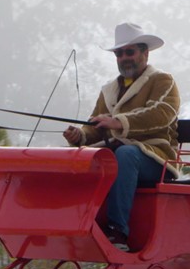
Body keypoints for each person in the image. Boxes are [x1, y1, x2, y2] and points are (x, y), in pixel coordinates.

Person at [63, 22, 181, 251]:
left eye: (130, 52)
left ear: (145, 53)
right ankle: (79, 224)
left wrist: (119, 122)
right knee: (89, 158)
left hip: (156, 157)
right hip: (119, 155)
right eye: (119, 53)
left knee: (126, 154)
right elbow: (96, 124)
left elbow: (162, 114)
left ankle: (118, 231)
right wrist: (80, 135)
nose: (124, 57)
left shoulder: (163, 81)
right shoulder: (109, 90)